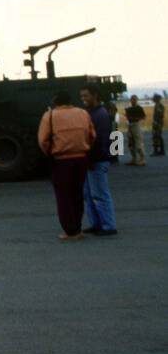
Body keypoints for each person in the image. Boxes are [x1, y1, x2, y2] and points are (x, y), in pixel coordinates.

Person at [38, 91, 95, 241]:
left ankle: (70, 231)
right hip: (81, 158)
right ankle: (78, 227)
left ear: (55, 102)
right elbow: (92, 135)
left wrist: (50, 153)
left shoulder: (49, 116)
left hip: (60, 160)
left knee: (64, 197)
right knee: (77, 194)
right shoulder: (83, 113)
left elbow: (42, 140)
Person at [80, 87, 116, 236]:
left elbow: (100, 139)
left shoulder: (100, 115)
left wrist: (95, 158)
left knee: (100, 194)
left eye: (86, 95)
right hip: (91, 159)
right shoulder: (92, 113)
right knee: (89, 194)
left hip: (97, 159)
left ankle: (108, 225)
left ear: (95, 95)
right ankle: (96, 223)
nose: (83, 98)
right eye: (82, 95)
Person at [124, 96, 147, 165]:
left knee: (138, 142)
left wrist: (136, 118)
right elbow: (127, 116)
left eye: (134, 99)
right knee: (131, 143)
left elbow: (143, 116)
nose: (133, 101)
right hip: (130, 124)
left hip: (136, 124)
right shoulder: (129, 108)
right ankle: (133, 158)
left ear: (136, 100)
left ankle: (142, 159)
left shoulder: (139, 108)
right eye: (132, 99)